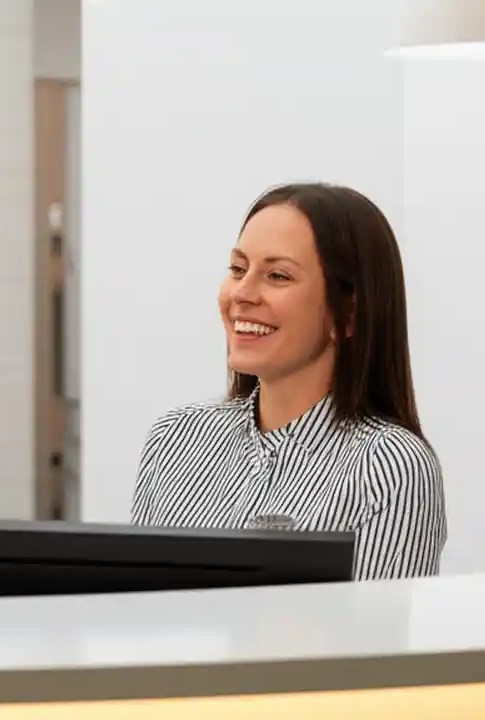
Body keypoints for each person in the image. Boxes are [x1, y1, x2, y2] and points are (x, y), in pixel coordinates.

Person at [130, 182, 447, 581]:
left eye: (277, 276)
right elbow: (140, 620)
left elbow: (374, 639)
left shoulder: (388, 466)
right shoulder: (174, 439)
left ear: (349, 314)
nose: (241, 294)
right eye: (238, 269)